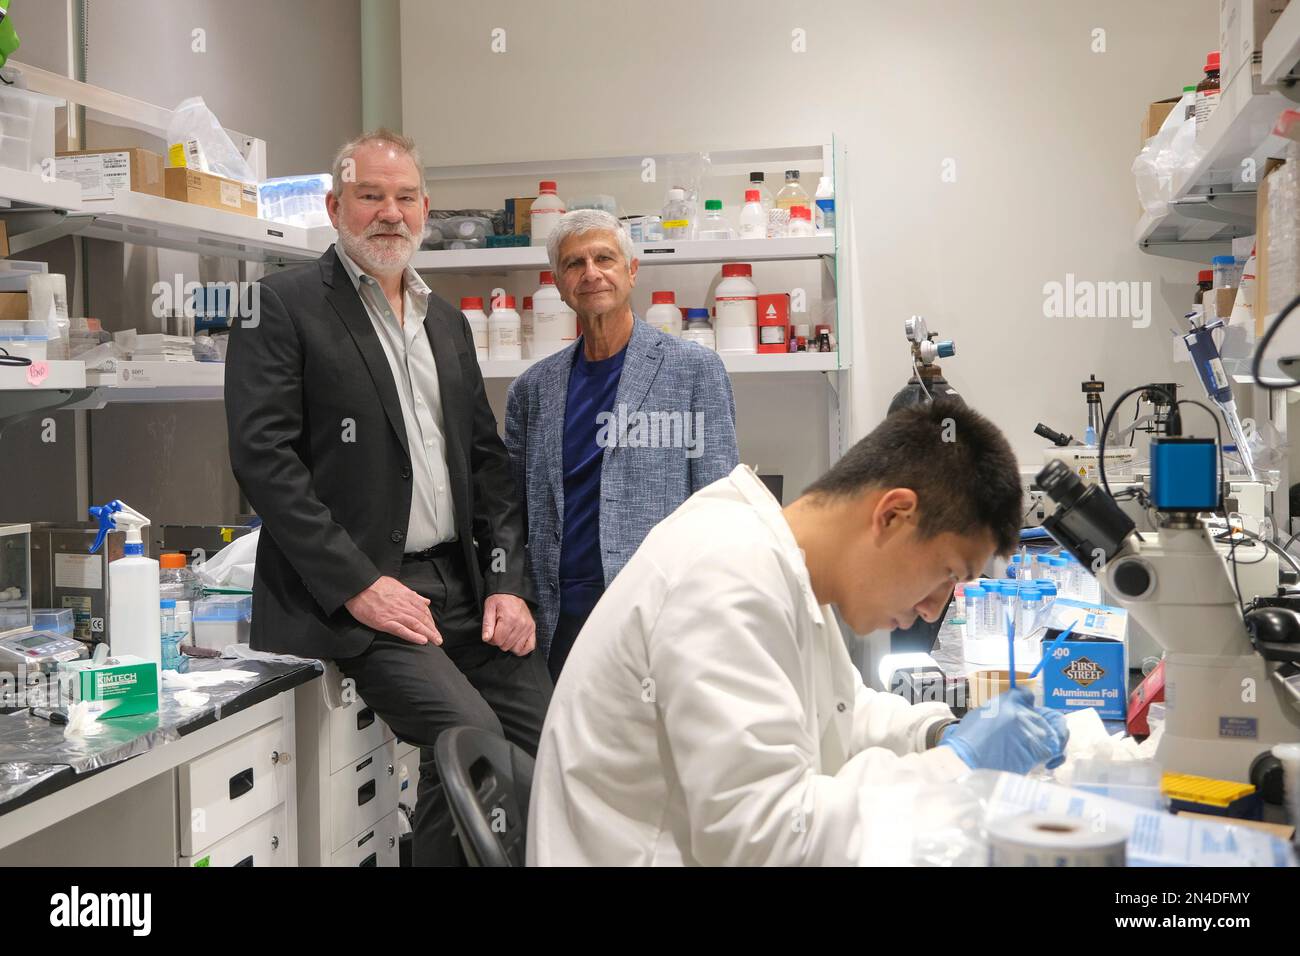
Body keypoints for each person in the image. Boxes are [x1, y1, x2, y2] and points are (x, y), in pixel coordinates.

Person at [527, 400, 1068, 865]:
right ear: (894, 515)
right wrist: (958, 765)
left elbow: (840, 710)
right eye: (948, 574)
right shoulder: (727, 574)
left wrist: (938, 733)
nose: (933, 610)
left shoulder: (781, 564)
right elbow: (763, 840)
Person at [225, 128, 551, 866]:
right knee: (466, 736)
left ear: (426, 210)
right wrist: (357, 583)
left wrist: (507, 583)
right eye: (370, 196)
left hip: (461, 584)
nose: (390, 213)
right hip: (359, 589)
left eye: (405, 198)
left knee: (549, 731)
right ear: (337, 207)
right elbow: (263, 461)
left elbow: (486, 462)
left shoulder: (444, 321)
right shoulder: (283, 306)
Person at [505, 209, 738, 680]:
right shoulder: (533, 389)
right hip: (558, 620)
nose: (591, 273)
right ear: (558, 281)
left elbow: (719, 507)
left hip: (656, 615)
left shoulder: (693, 371)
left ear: (631, 271)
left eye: (604, 259)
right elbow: (510, 513)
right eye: (574, 264)